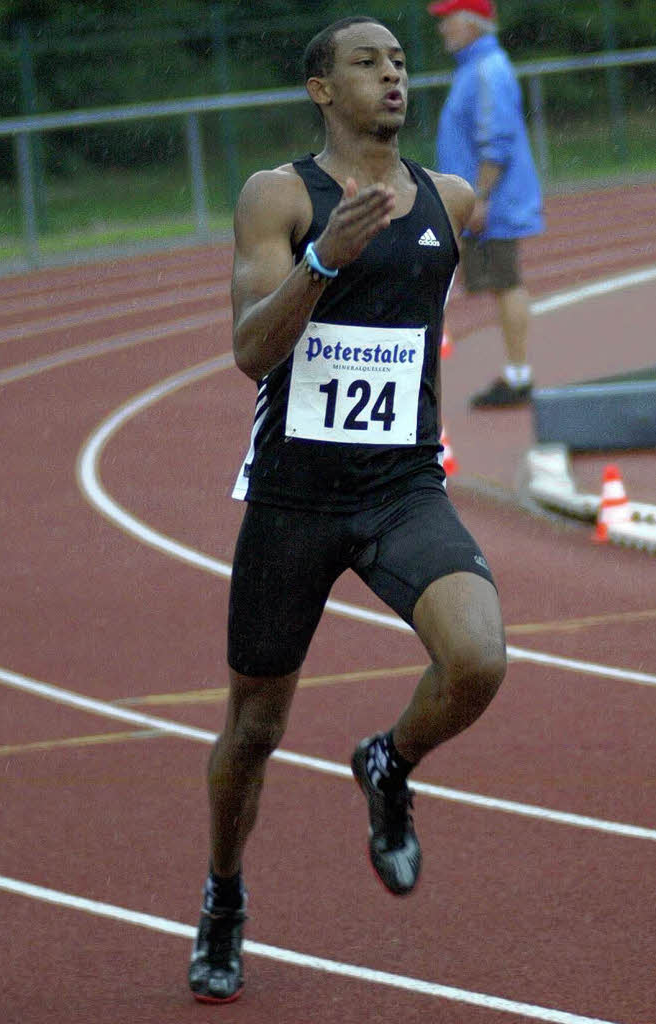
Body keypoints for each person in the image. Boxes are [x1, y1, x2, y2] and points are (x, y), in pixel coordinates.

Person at [188, 16, 507, 1004]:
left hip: (401, 486)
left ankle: (386, 760)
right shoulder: (278, 196)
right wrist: (321, 259)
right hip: (293, 499)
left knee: (478, 658)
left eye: (400, 61)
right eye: (366, 63)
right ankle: (224, 898)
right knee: (251, 730)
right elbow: (250, 349)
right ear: (321, 89)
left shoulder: (446, 200)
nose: (392, 74)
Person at [429, 0, 544, 407]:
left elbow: (496, 139)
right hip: (488, 201)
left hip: (493, 204)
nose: (443, 28)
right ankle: (517, 373)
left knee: (506, 282)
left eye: (449, 19)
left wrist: (479, 198)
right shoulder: (475, 68)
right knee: (500, 284)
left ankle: (518, 376)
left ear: (472, 22)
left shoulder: (486, 70)